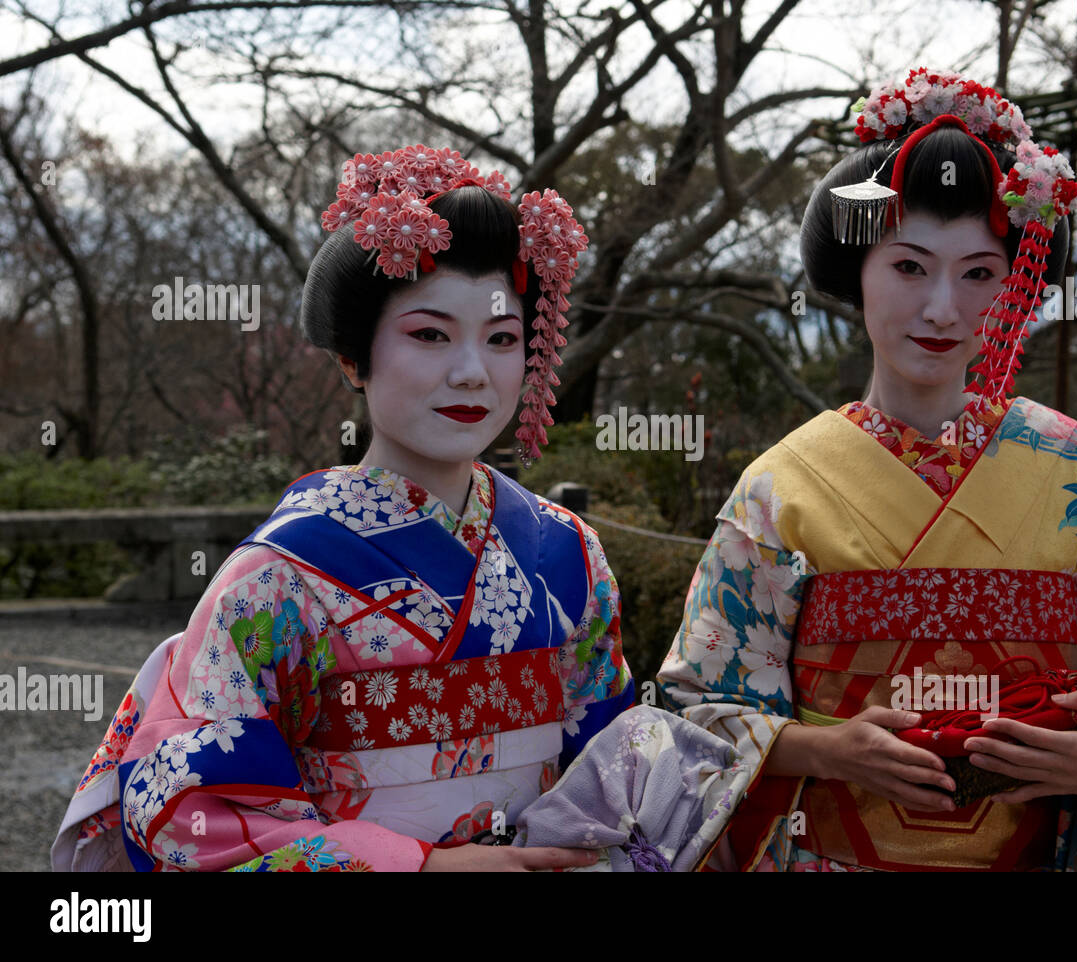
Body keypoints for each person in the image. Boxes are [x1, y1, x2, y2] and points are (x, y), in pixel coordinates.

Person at [657, 68, 1077, 871]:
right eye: (909, 267)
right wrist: (825, 751)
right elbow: (692, 709)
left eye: (981, 274)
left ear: (1017, 288)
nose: (942, 309)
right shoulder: (783, 485)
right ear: (858, 272)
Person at [52, 146, 638, 871]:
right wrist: (418, 866)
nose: (470, 371)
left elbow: (610, 762)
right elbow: (199, 810)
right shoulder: (277, 576)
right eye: (429, 335)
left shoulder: (567, 553)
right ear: (353, 359)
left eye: (502, 340)